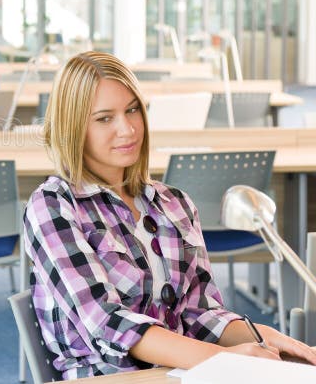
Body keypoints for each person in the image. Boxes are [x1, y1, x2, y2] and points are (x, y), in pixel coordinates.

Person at [24, 51, 316, 379]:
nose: (127, 129)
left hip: (179, 370)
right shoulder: (52, 206)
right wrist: (226, 360)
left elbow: (199, 311)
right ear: (73, 126)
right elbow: (107, 322)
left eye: (132, 110)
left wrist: (269, 339)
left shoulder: (172, 202)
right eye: (105, 118)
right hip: (105, 374)